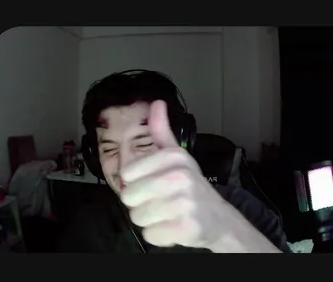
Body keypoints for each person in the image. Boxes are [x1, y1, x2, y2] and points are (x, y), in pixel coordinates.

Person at [59, 70, 290, 253]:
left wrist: (224, 233)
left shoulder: (243, 209)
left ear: (182, 143)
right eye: (109, 149)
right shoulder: (86, 228)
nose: (125, 166)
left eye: (144, 143)